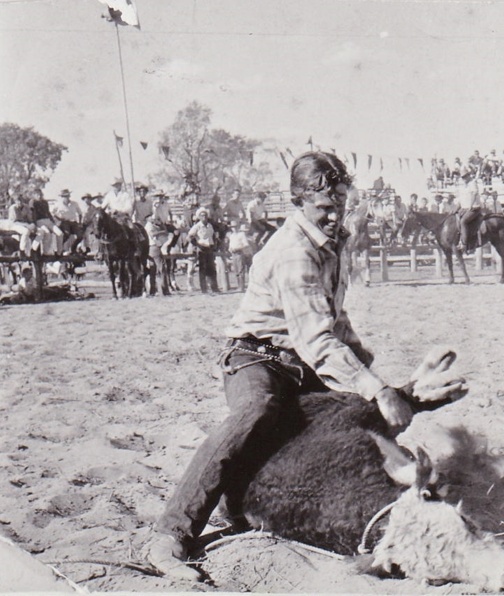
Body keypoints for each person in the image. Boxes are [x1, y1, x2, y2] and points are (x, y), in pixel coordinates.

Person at [145, 152, 420, 580]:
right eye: (324, 208)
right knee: (258, 410)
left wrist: (372, 378)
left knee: (353, 415)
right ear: (298, 202)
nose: (335, 215)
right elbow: (316, 338)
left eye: (341, 203)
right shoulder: (294, 252)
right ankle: (172, 533)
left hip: (303, 363)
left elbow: (334, 320)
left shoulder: (331, 244)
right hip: (258, 358)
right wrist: (379, 390)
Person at [186, 207, 219, 293]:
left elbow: (213, 235)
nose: (204, 217)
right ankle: (204, 289)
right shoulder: (197, 226)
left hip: (210, 248)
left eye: (205, 215)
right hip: (202, 248)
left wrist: (214, 243)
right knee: (203, 269)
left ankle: (214, 287)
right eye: (202, 215)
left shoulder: (210, 225)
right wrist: (197, 245)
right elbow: (189, 237)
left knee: (212, 268)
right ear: (199, 217)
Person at [456, 171, 482, 253]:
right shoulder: (463, 186)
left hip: (474, 208)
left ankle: (464, 243)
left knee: (463, 221)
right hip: (465, 208)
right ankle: (459, 239)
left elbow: (474, 194)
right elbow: (461, 199)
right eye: (462, 177)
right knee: (456, 219)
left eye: (465, 176)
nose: (464, 178)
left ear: (468, 176)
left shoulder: (473, 183)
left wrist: (470, 205)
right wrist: (457, 208)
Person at [51, 189, 82, 254]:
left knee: (80, 236)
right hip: (64, 222)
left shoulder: (74, 203)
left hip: (73, 222)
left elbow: (80, 213)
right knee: (66, 234)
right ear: (61, 197)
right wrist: (59, 218)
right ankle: (59, 248)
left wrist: (79, 223)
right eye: (63, 196)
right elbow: (52, 213)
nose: (65, 198)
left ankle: (73, 248)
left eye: (67, 196)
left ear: (69, 196)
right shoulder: (58, 204)